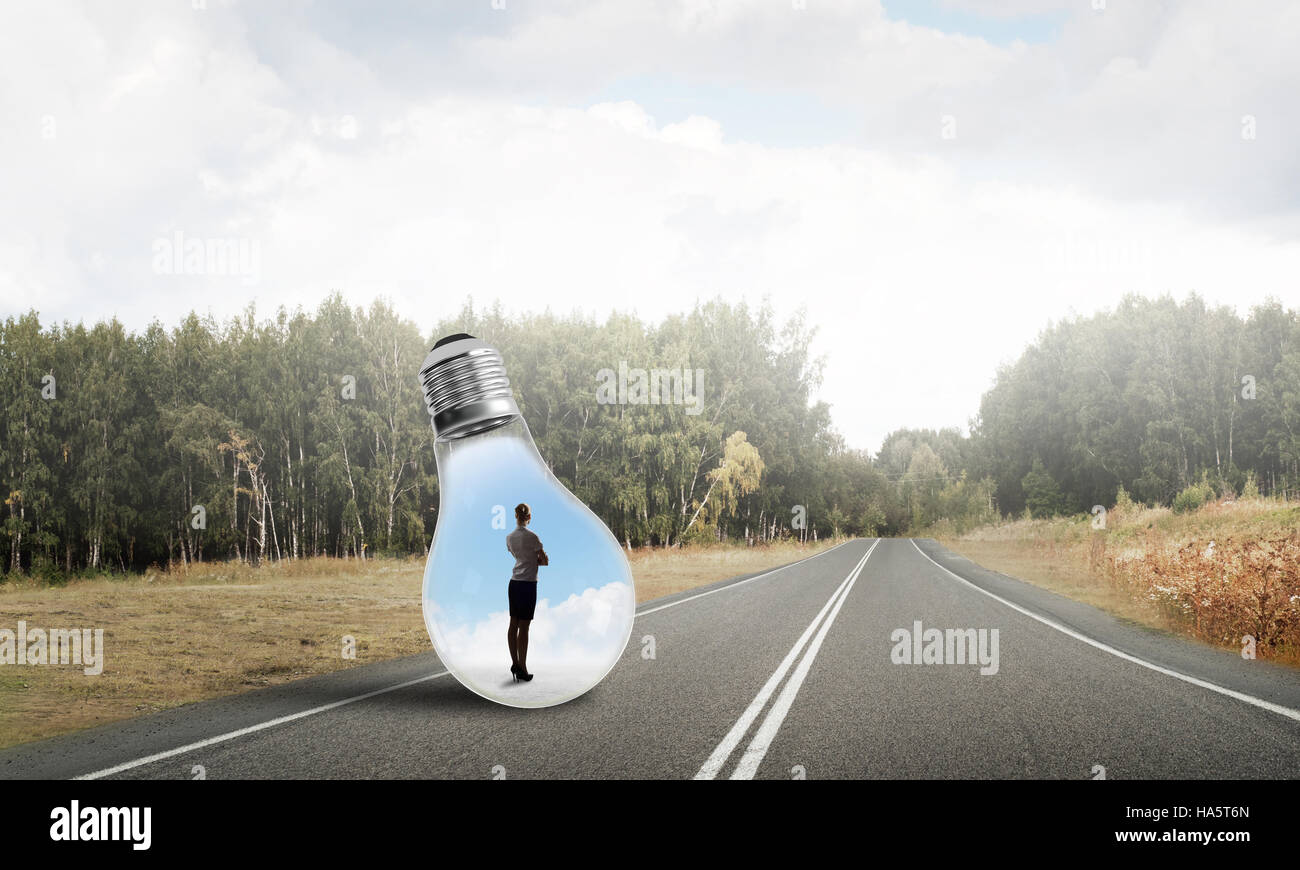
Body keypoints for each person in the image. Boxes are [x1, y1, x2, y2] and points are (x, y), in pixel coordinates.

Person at [505, 502, 547, 682]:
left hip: (514, 583)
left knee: (513, 624)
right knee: (524, 627)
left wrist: (527, 560)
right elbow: (544, 560)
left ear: (516, 516)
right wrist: (535, 561)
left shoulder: (509, 537)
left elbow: (518, 557)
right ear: (529, 517)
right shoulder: (533, 537)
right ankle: (523, 666)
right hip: (528, 584)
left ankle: (515, 663)